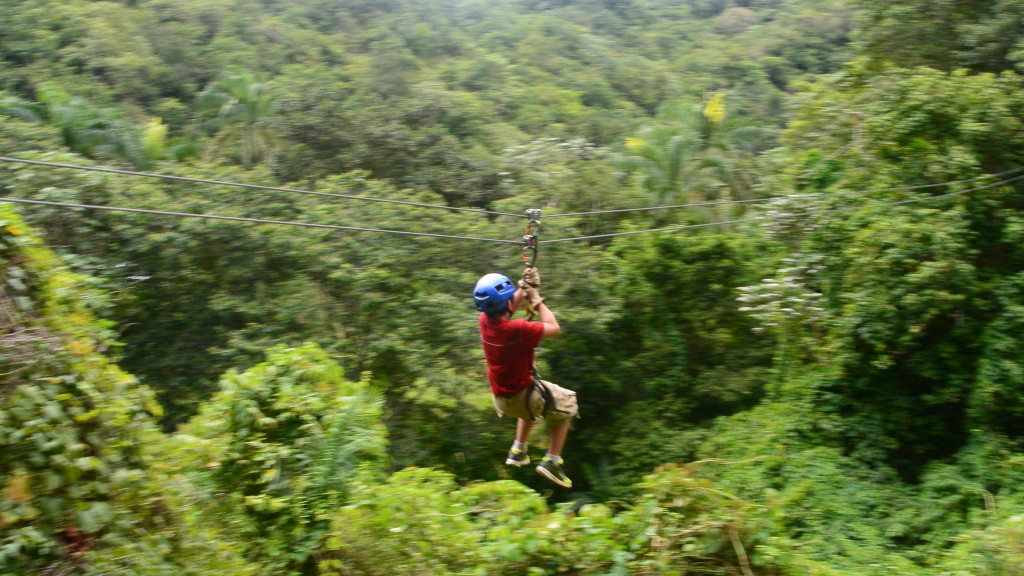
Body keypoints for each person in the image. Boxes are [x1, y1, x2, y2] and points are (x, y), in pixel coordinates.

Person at [474, 267, 578, 488]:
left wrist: (524, 286)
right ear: (506, 303)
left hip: (502, 399)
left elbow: (507, 307)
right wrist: (537, 300)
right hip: (524, 398)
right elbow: (554, 327)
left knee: (532, 393)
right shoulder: (518, 329)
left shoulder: (484, 321)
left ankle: (518, 449)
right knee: (568, 403)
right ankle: (552, 461)